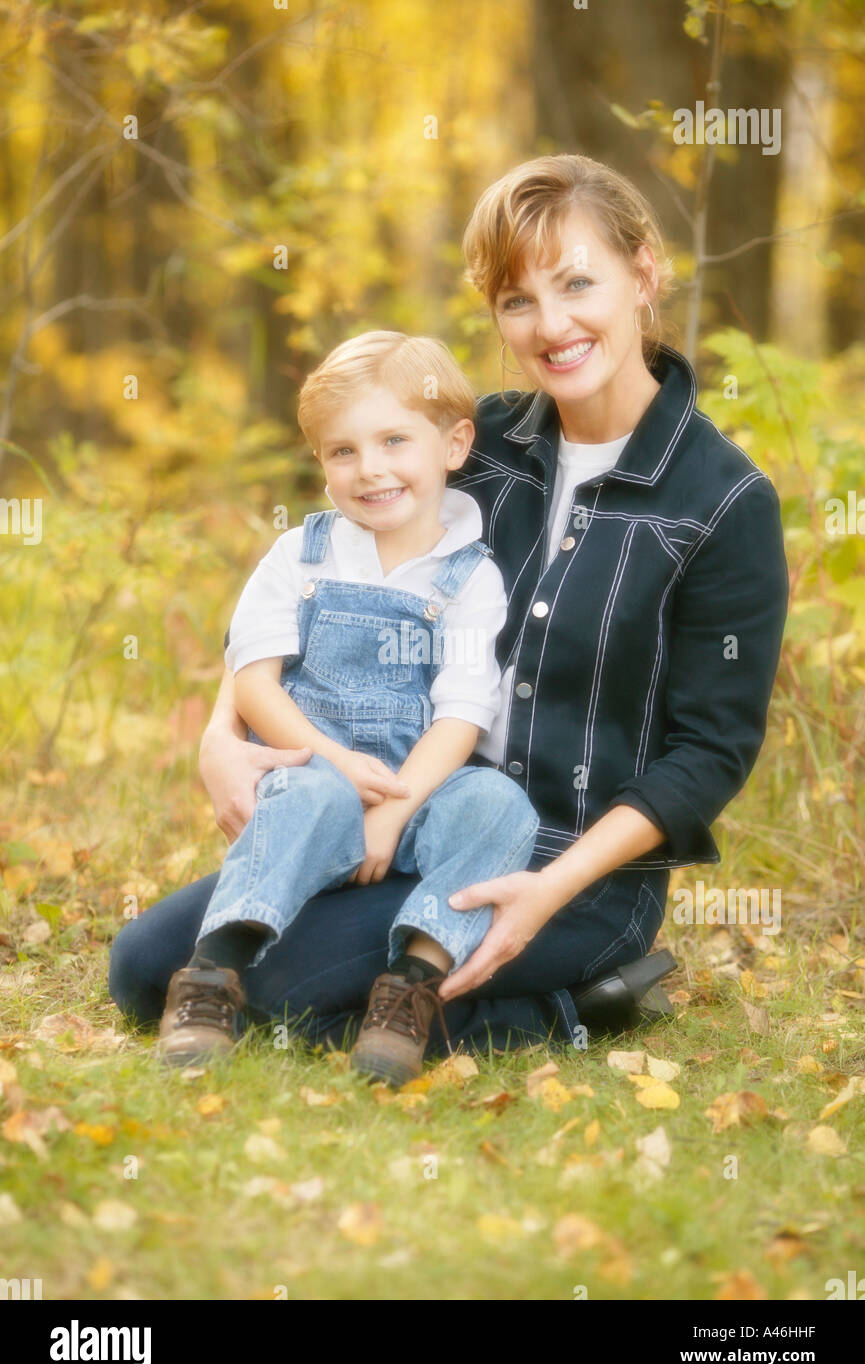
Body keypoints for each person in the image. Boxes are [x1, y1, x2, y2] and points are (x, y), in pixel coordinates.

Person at [110, 152, 788, 1059]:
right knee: (145, 967)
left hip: (573, 867)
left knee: (276, 992)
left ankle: (583, 1000)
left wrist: (548, 889)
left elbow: (709, 754)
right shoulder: (477, 444)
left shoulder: (721, 501)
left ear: (643, 272)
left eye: (577, 283)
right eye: (517, 300)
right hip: (408, 812)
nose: (551, 325)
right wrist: (222, 735)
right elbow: (322, 573)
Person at [156, 331, 539, 1084]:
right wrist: (334, 763)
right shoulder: (299, 555)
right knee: (305, 788)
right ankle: (211, 975)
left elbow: (462, 714)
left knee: (499, 805)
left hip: (414, 794)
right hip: (316, 777)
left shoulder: (470, 575)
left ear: (453, 443)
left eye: (394, 440)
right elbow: (254, 681)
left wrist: (395, 808)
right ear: (320, 462)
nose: (369, 470)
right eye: (341, 451)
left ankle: (411, 988)